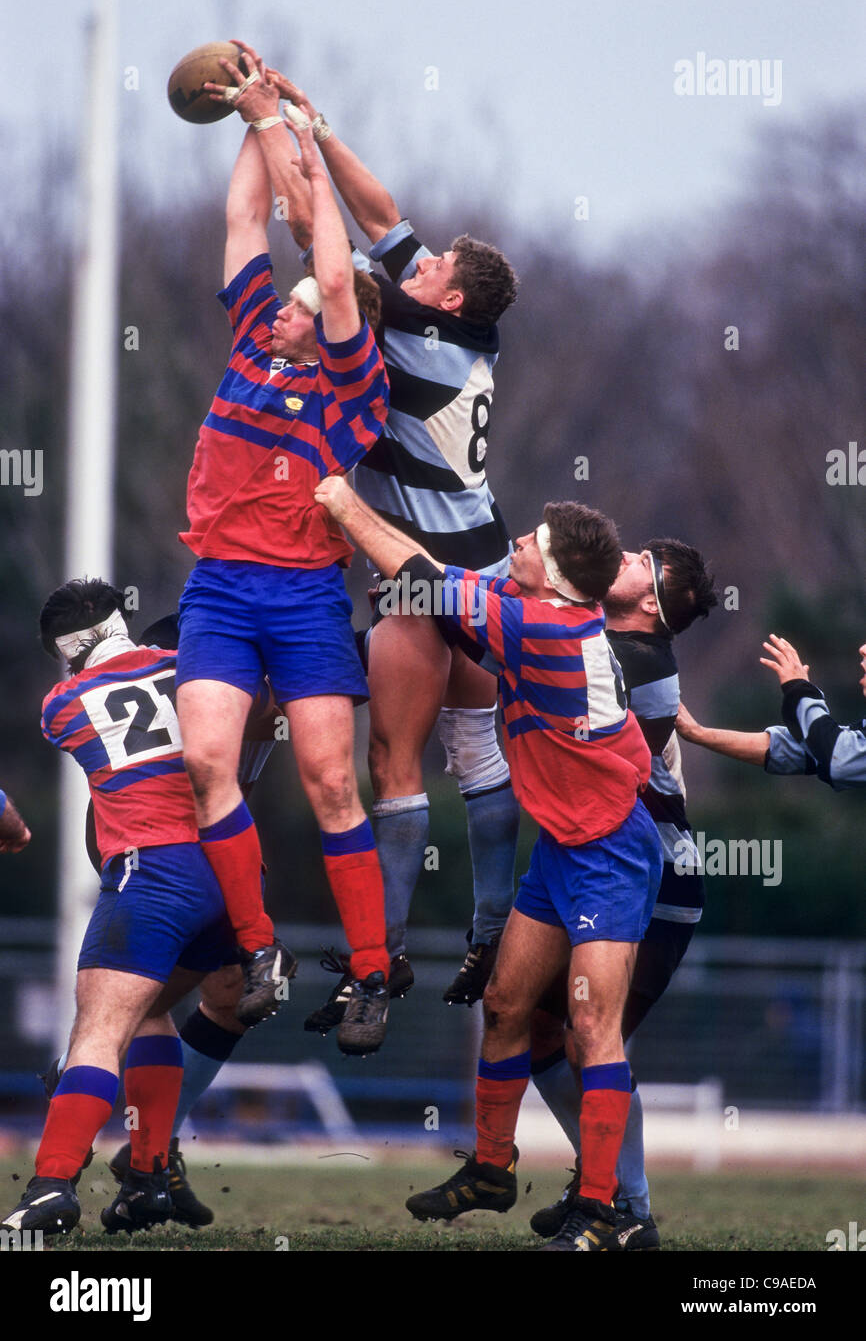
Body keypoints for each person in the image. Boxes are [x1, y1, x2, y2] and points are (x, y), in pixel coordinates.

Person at [313, 475, 662, 1252]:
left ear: (561, 580)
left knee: (591, 1029)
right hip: (565, 848)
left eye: (532, 543)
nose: (519, 542)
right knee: (504, 1007)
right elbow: (441, 579)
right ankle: (494, 1168)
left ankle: (608, 1215)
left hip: (611, 853)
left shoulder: (544, 631)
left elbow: (425, 582)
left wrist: (343, 504)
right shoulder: (541, 611)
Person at [258, 57, 522, 1012]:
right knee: (479, 749)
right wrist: (321, 127)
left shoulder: (409, 326)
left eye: (438, 264)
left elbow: (326, 241)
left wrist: (277, 136)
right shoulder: (471, 330)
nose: (423, 260)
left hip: (420, 572)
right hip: (489, 561)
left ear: (445, 297)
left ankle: (386, 957)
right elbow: (384, 214)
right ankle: (491, 935)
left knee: (393, 765)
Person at [176, 46, 392, 1053]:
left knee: (328, 782)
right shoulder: (252, 334)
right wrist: (249, 122)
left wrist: (287, 128)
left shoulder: (355, 385)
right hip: (219, 587)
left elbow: (339, 267)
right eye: (295, 297)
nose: (295, 304)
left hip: (304, 593)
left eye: (309, 303)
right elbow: (239, 221)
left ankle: (374, 974)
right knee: (204, 760)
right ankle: (259, 950)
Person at [1, 580, 245, 1237]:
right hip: (229, 869)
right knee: (152, 1013)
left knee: (99, 1032)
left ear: (65, 651)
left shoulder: (61, 705)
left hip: (151, 873)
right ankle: (149, 1175)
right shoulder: (191, 670)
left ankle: (53, 1183)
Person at [526, 540, 718, 1249]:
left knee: (591, 1037)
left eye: (644, 559)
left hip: (656, 877)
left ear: (650, 603)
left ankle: (622, 1208)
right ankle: (601, 1184)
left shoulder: (638, 663)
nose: (629, 552)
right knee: (543, 1029)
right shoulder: (604, 641)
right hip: (603, 865)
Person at [677, 633, 866, 786]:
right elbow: (795, 750)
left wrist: (800, 690)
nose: (862, 649)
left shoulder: (842, 753)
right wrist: (698, 733)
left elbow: (839, 758)